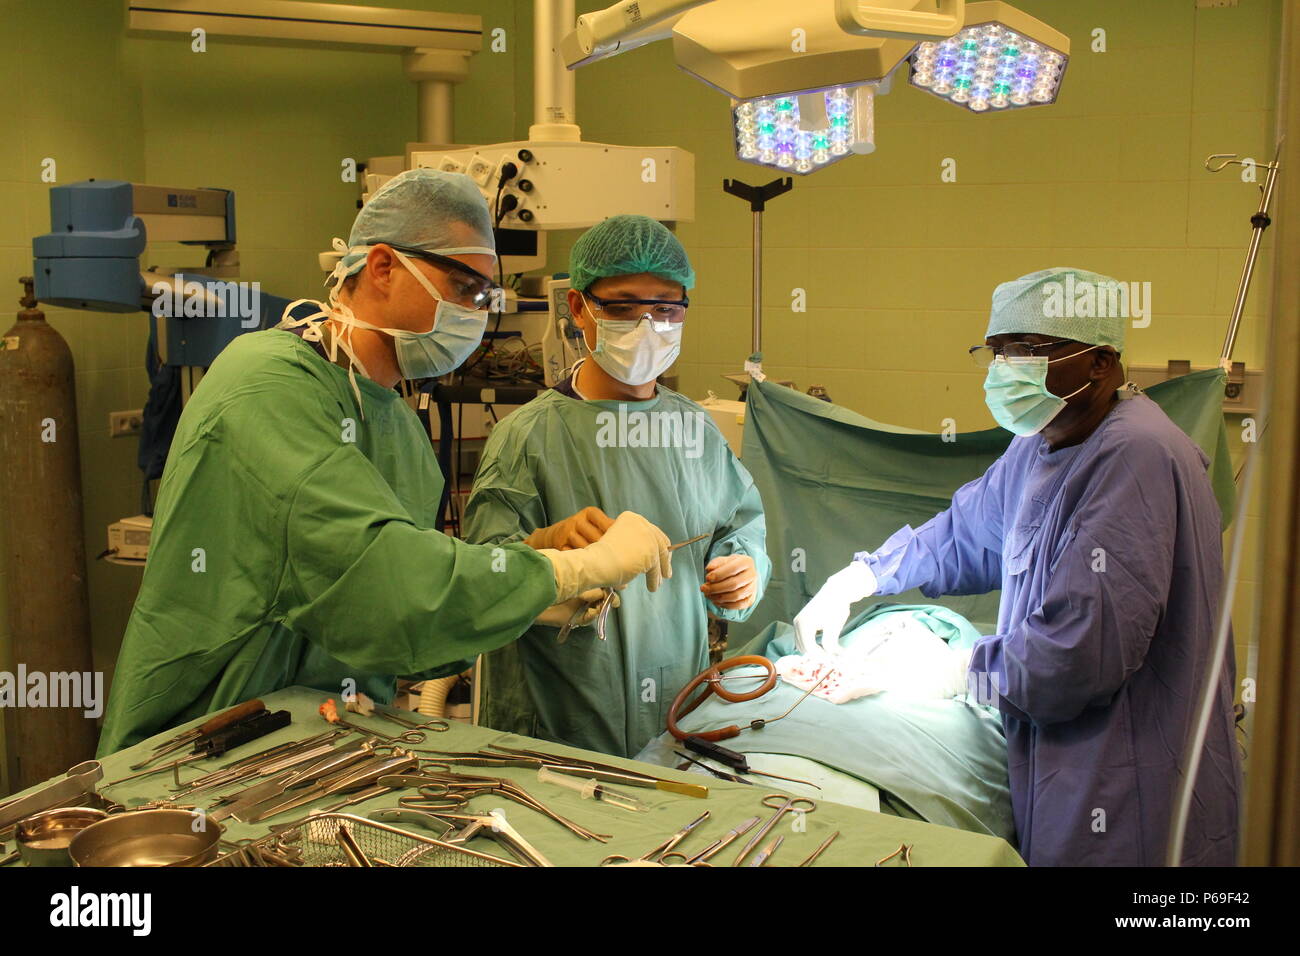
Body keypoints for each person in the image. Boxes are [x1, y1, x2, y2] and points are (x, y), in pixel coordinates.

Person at [98, 171, 673, 754]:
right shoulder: (265, 386)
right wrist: (568, 572)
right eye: (466, 288)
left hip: (325, 735)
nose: (478, 314)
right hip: (211, 738)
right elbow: (383, 579)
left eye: (486, 298)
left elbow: (408, 605)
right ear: (382, 267)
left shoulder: (393, 419)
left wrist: (529, 573)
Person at [793, 267, 1241, 866]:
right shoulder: (1041, 439)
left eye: (1027, 352)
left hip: (1131, 784)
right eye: (997, 352)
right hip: (1062, 770)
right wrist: (862, 577)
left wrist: (953, 674)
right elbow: (965, 533)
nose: (1005, 370)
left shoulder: (1137, 457)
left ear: (1100, 364)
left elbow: (1079, 655)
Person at [463, 215, 771, 758]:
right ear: (579, 308)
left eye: (666, 308)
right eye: (624, 307)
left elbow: (737, 525)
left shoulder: (694, 429)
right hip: (563, 716)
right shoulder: (529, 436)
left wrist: (743, 568)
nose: (648, 324)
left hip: (679, 699)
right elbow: (478, 579)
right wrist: (546, 545)